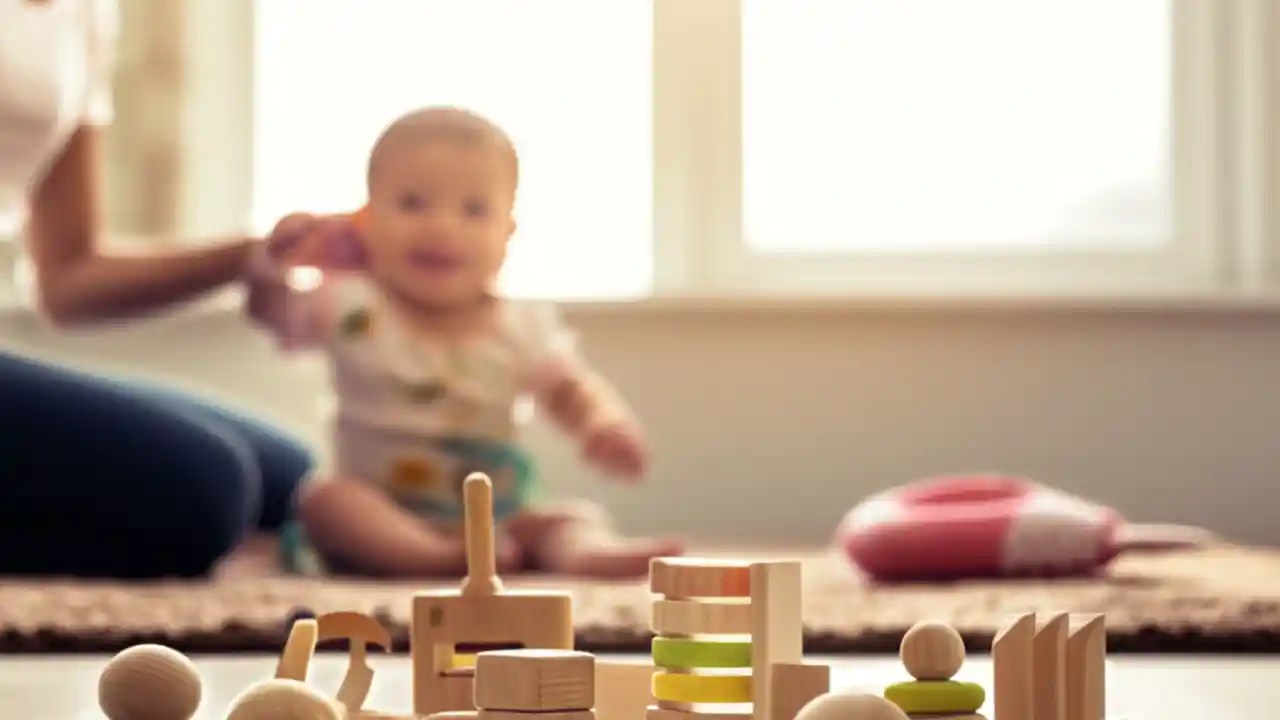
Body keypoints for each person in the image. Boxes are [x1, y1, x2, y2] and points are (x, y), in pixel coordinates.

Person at [247, 107, 685, 577]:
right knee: (326, 500)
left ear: (507, 235)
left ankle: (584, 554)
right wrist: (275, 262)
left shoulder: (521, 326)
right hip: (382, 508)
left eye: (474, 210)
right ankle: (435, 558)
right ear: (365, 220)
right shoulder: (348, 302)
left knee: (572, 518)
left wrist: (604, 422)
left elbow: (569, 390)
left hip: (498, 515)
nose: (441, 227)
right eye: (412, 204)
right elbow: (269, 311)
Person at [0, 0, 312, 577]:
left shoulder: (83, 14)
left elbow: (69, 279)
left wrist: (256, 256)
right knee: (206, 492)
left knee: (296, 482)